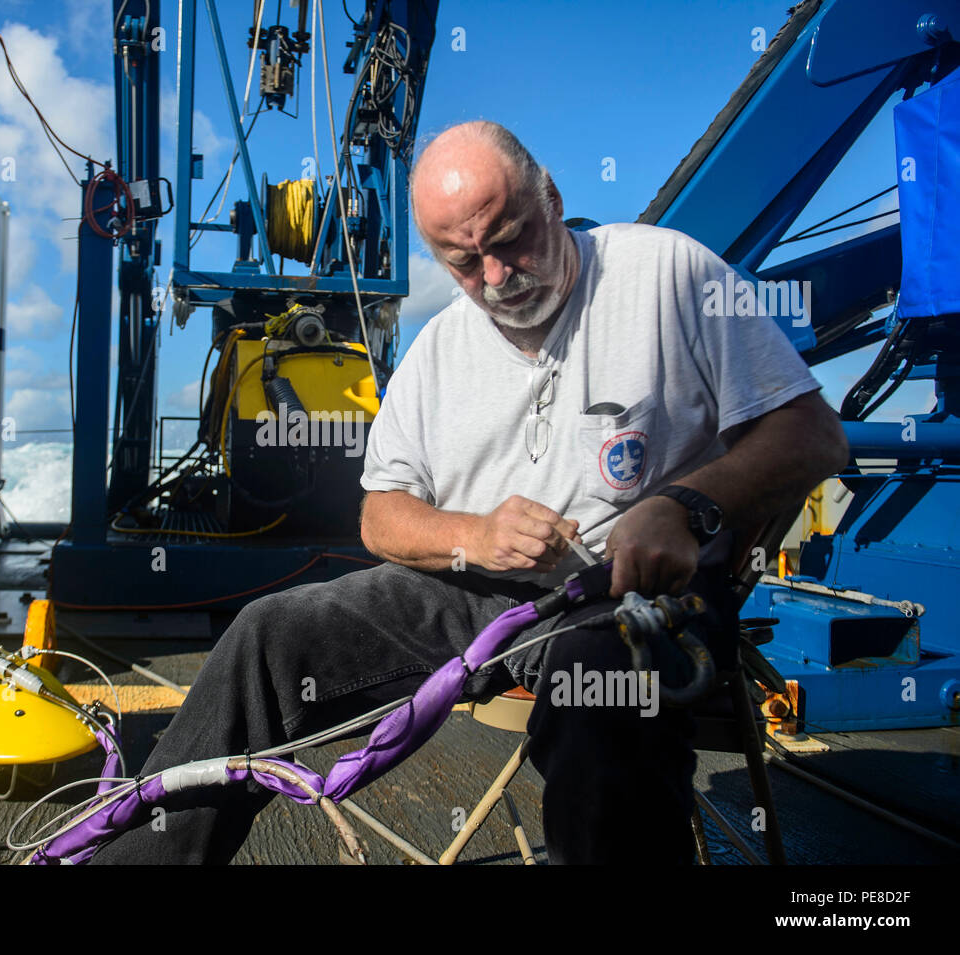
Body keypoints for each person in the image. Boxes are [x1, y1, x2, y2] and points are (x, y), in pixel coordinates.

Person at [89, 120, 848, 865]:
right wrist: (471, 535)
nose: (495, 277)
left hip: (630, 597)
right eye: (462, 261)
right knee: (266, 637)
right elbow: (381, 515)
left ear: (549, 195)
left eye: (511, 237)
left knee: (601, 693)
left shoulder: (669, 275)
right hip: (472, 593)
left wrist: (685, 503)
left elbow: (814, 434)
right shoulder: (441, 348)